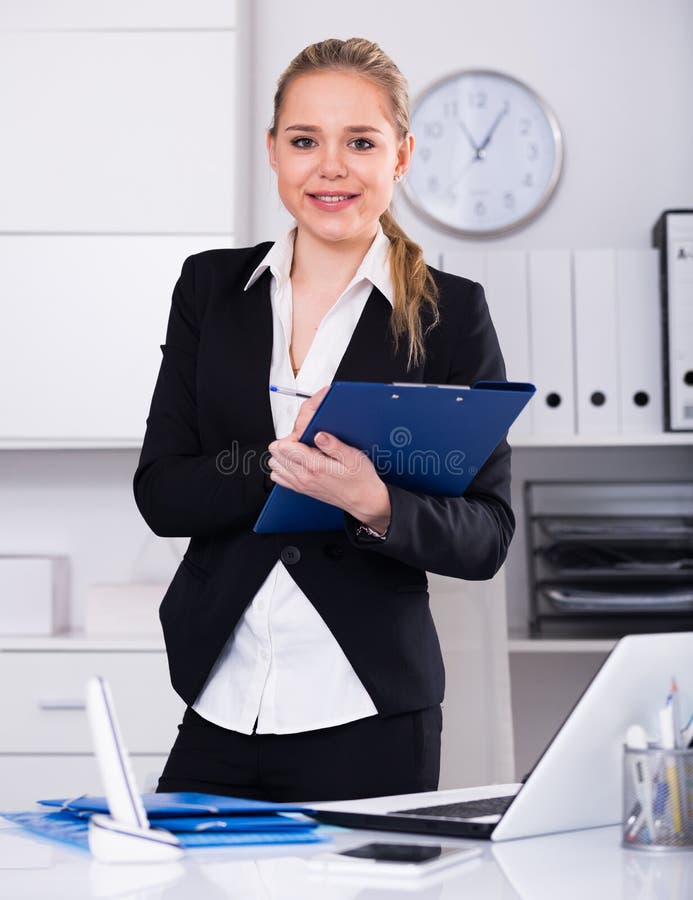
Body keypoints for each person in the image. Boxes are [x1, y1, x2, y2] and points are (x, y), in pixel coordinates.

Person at [133, 37, 514, 802]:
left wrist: (373, 502)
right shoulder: (210, 289)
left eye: (360, 142)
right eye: (305, 141)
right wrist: (281, 464)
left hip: (369, 712)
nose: (330, 167)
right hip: (219, 699)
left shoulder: (450, 313)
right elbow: (163, 494)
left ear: (401, 156)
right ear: (273, 151)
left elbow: (486, 535)